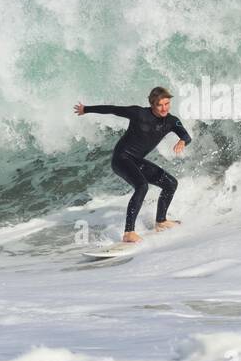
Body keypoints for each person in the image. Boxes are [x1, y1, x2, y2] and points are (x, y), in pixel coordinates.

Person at [75, 86, 191, 243]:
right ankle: (129, 233)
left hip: (136, 160)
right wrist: (86, 109)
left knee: (170, 183)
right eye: (160, 105)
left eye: (167, 104)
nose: (164, 108)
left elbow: (185, 135)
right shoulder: (139, 113)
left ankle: (161, 221)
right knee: (142, 186)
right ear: (152, 104)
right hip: (121, 158)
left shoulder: (171, 121)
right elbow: (113, 109)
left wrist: (183, 141)